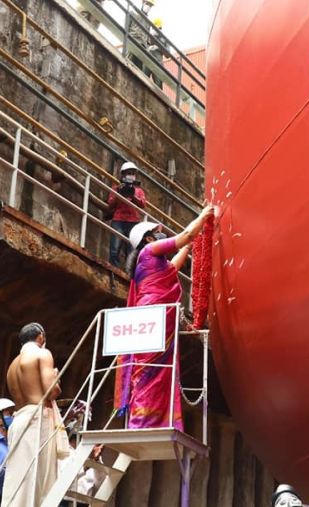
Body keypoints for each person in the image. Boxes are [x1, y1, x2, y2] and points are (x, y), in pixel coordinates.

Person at [114, 204, 215, 430]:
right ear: (149, 238)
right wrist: (204, 215)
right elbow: (185, 235)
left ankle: (153, 421)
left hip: (156, 318)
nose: (161, 235)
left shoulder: (149, 262)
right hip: (154, 316)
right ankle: (140, 423)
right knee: (149, 371)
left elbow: (173, 267)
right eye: (157, 233)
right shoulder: (149, 251)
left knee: (155, 371)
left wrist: (188, 248)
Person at [1, 323, 65, 506]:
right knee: (40, 481)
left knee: (17, 479)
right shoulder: (42, 353)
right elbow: (51, 391)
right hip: (38, 418)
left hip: (19, 418)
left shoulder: (13, 365)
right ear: (41, 337)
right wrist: (56, 379)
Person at [107, 161, 147, 268]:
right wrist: (119, 193)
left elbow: (143, 204)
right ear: (123, 174)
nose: (131, 175)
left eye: (133, 173)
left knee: (131, 251)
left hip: (133, 222)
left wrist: (133, 196)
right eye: (128, 173)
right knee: (115, 248)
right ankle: (113, 271)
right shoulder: (117, 187)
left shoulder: (138, 190)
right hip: (118, 220)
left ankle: (128, 274)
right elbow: (110, 203)